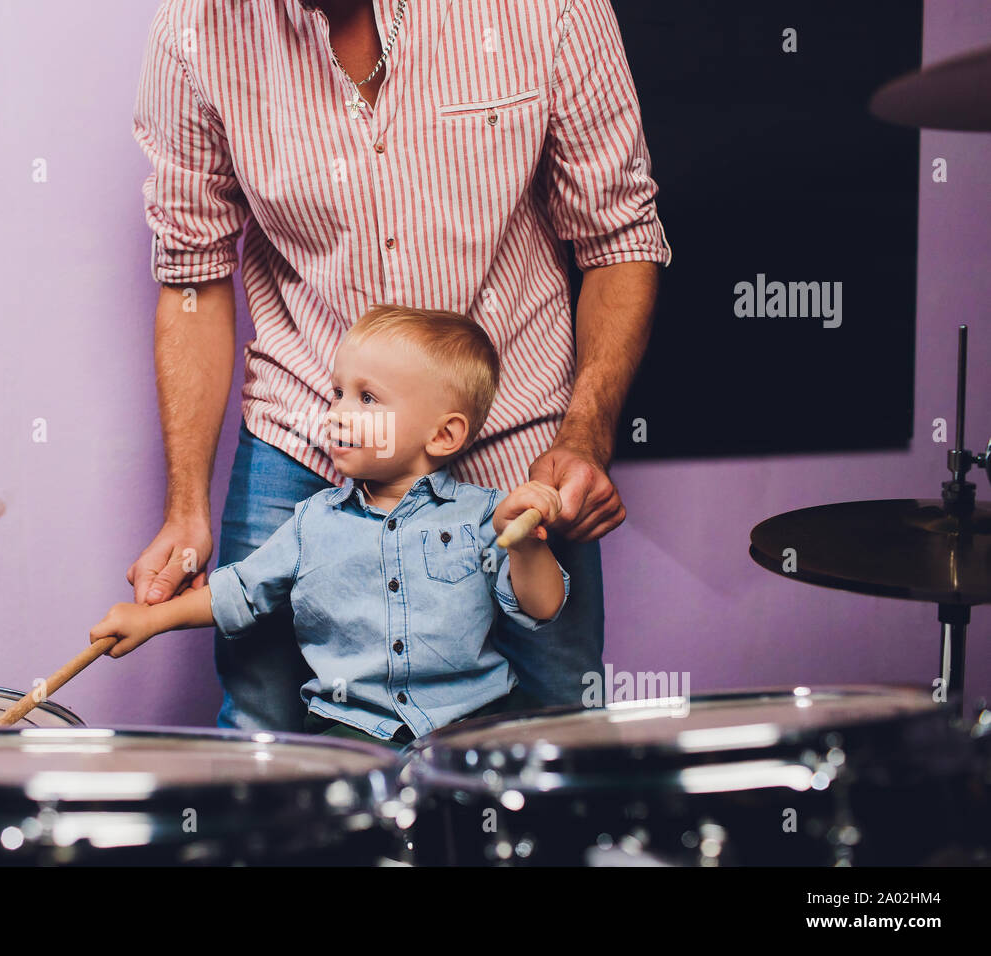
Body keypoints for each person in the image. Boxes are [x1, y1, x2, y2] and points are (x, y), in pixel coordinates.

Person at [124, 0, 670, 732]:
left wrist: (586, 434)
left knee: (555, 740)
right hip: (305, 431)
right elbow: (193, 274)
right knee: (262, 737)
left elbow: (616, 237)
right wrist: (185, 509)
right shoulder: (194, 29)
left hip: (518, 436)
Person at [91, 306, 568, 750]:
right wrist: (152, 619)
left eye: (367, 398)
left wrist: (526, 546)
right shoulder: (311, 523)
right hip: (352, 729)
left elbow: (543, 607)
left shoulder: (484, 514)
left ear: (443, 435)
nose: (337, 413)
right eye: (337, 394)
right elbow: (237, 590)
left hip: (475, 723)